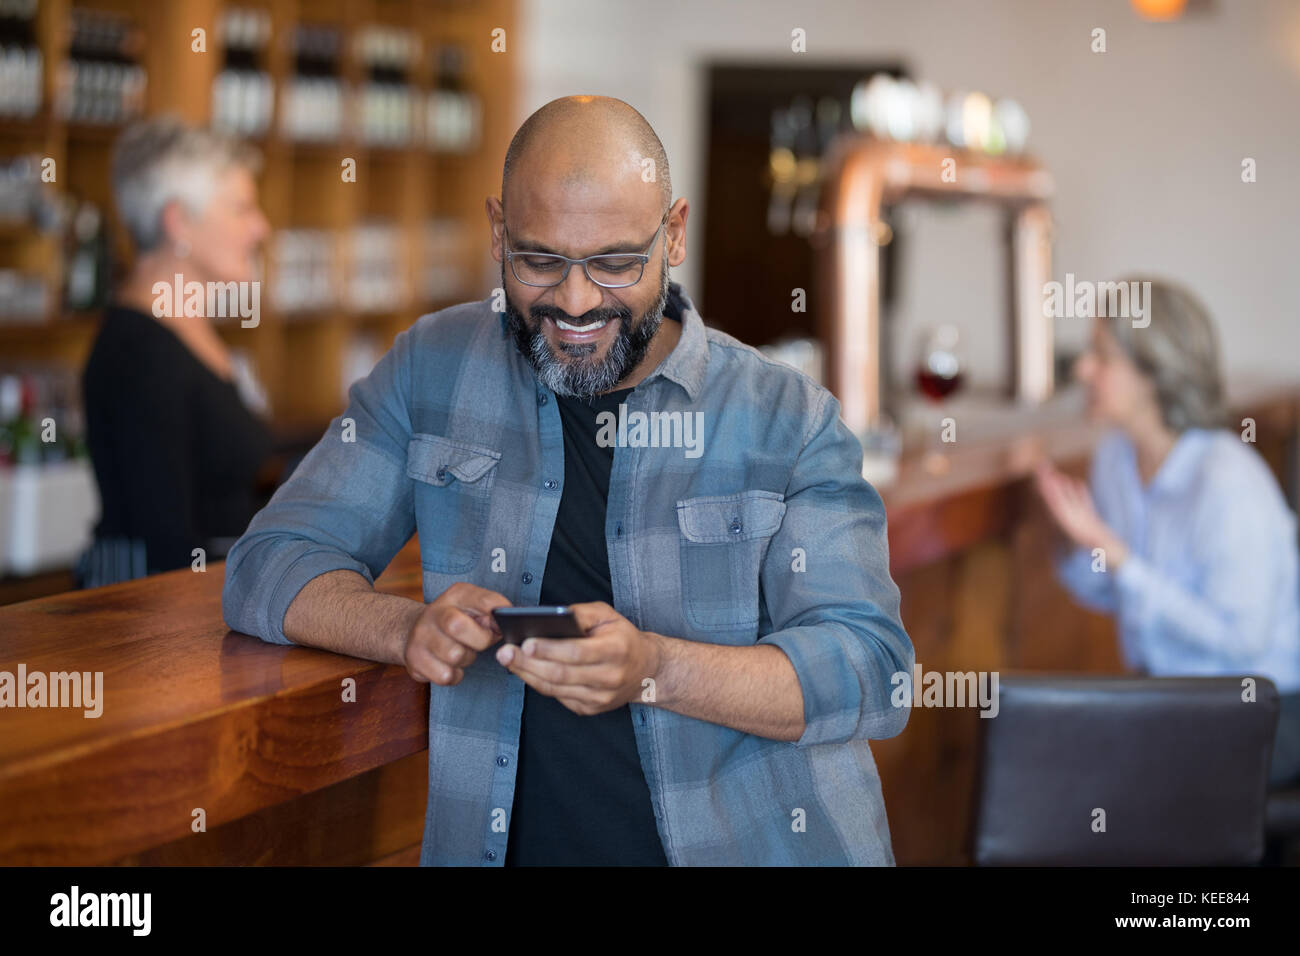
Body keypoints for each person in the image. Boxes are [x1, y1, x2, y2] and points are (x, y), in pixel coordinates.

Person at [222, 95, 913, 865]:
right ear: (497, 232)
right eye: (540, 261)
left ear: (674, 234)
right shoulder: (433, 370)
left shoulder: (788, 418)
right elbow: (268, 563)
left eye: (616, 263)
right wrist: (407, 631)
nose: (576, 302)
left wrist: (656, 667)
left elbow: (871, 671)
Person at [1036, 278, 1300, 787]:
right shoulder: (1115, 456)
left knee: (1132, 789)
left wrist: (1119, 558)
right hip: (1170, 696)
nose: (1082, 369)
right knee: (1057, 769)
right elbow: (1105, 590)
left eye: (1102, 357)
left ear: (1155, 375)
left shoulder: (1227, 482)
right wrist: (1076, 540)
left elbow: (1243, 644)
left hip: (1263, 704)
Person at [79, 117, 273, 586]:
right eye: (241, 208)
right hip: (143, 617)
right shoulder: (140, 354)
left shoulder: (190, 331)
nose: (261, 227)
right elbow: (168, 541)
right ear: (178, 222)